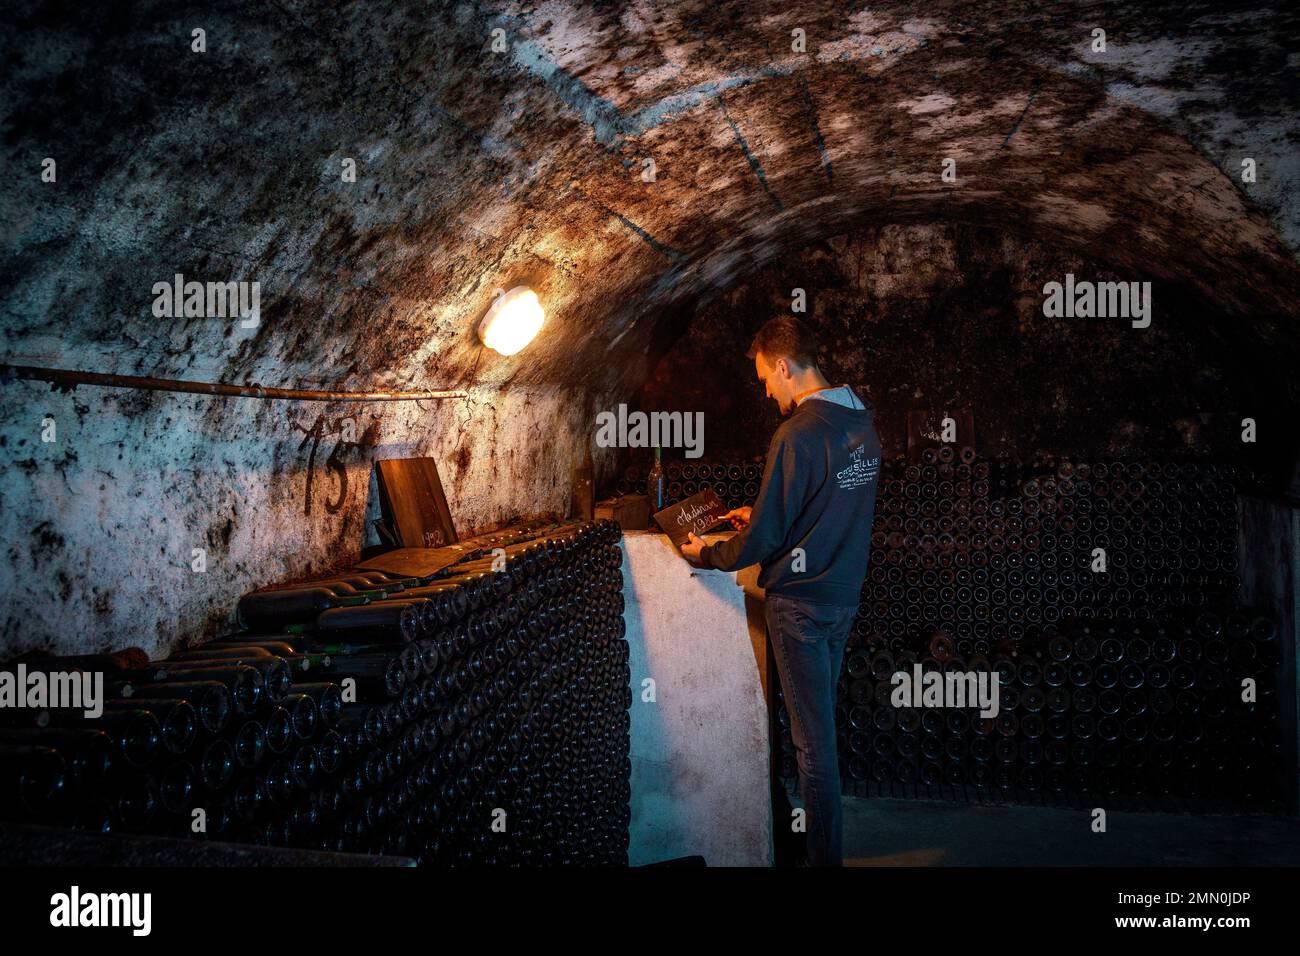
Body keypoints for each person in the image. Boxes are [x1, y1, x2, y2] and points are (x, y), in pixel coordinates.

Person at [680, 316, 881, 867]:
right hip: (842, 600)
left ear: (785, 367)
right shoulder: (860, 422)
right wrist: (759, 512)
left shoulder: (796, 433)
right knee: (821, 732)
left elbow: (767, 538)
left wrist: (711, 554)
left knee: (812, 748)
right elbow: (825, 506)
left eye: (766, 377)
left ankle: (824, 862)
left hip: (800, 606)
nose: (767, 389)